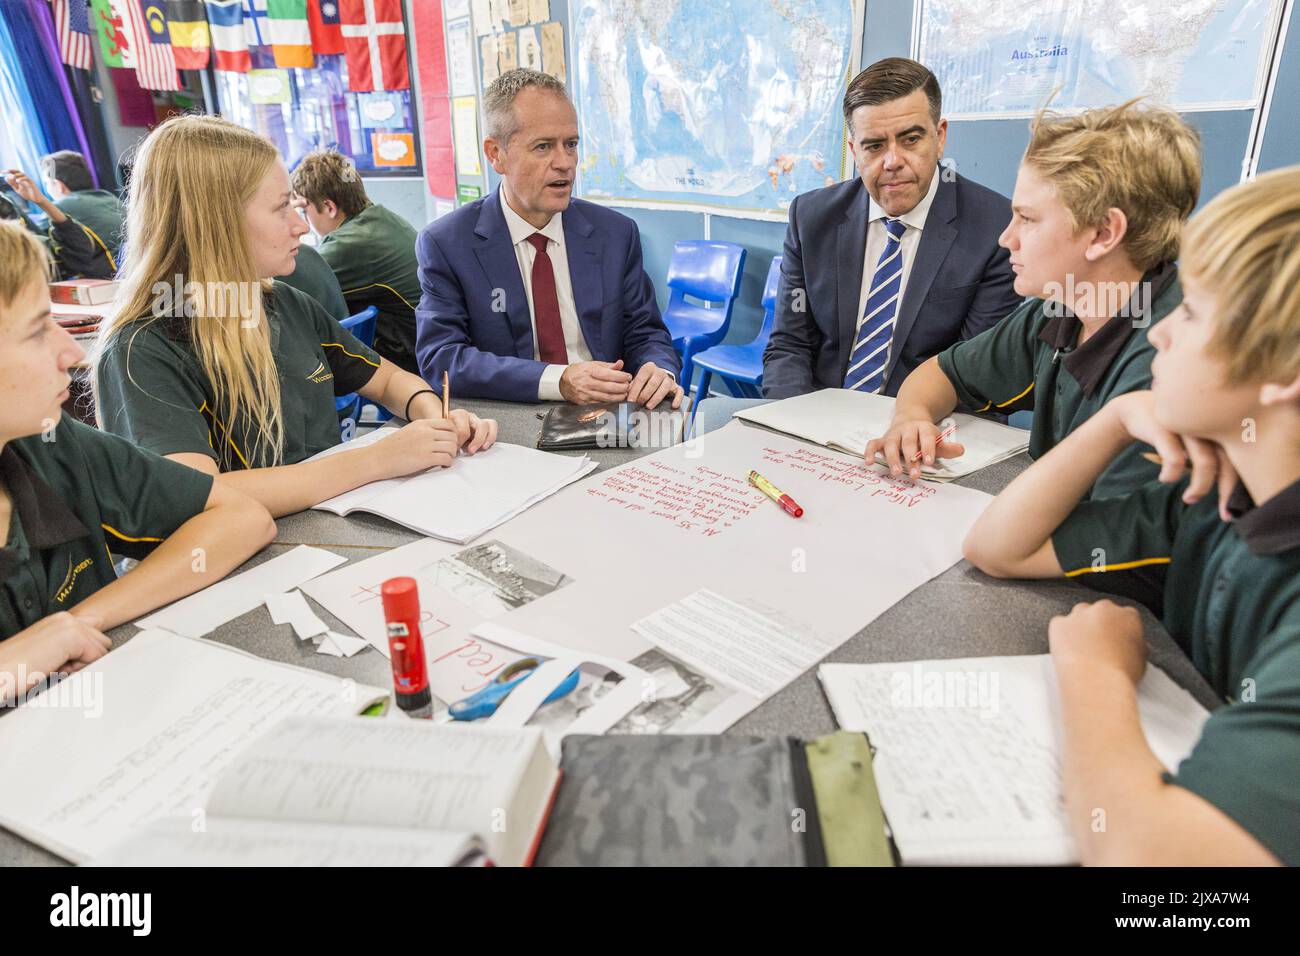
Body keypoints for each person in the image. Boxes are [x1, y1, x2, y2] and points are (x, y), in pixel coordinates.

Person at [962, 168, 1300, 866]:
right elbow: (999, 546)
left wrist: (1096, 673)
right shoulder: (1223, 494)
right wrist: (1115, 418)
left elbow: (1157, 879)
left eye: (1195, 313)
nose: (1163, 332)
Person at [93, 116, 497, 520]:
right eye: (281, 207)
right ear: (215, 223)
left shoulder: (286, 304)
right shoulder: (142, 349)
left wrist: (434, 415)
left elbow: (389, 379)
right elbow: (197, 495)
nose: (301, 226)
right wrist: (376, 459)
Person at [0, 219, 275, 706]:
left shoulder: (48, 442)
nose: (69, 350)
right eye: (37, 331)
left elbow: (242, 518)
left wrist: (75, 623)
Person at [867, 100, 1201, 499]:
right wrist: (911, 418)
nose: (1007, 239)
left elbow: (1078, 545)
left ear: (1103, 234)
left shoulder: (1167, 368)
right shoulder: (1064, 308)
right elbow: (941, 374)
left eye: (1027, 219)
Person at [415, 69, 682, 409]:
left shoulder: (615, 233)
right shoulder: (448, 244)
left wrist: (658, 369)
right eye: (543, 147)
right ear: (496, 153)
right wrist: (560, 380)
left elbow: (645, 331)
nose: (565, 163)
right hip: (510, 418)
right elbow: (442, 359)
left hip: (608, 414)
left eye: (570, 144)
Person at [290, 148, 421, 370]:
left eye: (304, 212)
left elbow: (289, 281)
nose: (305, 222)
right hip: (417, 340)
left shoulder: (350, 245)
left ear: (330, 207)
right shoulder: (379, 218)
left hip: (408, 355)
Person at [2, 169, 114, 280]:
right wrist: (42, 201)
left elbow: (79, 253)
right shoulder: (106, 195)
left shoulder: (31, 248)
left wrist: (41, 201)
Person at [40, 150, 127, 264]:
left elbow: (35, 236)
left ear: (58, 185)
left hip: (112, 273)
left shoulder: (59, 207)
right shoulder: (108, 196)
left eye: (47, 183)